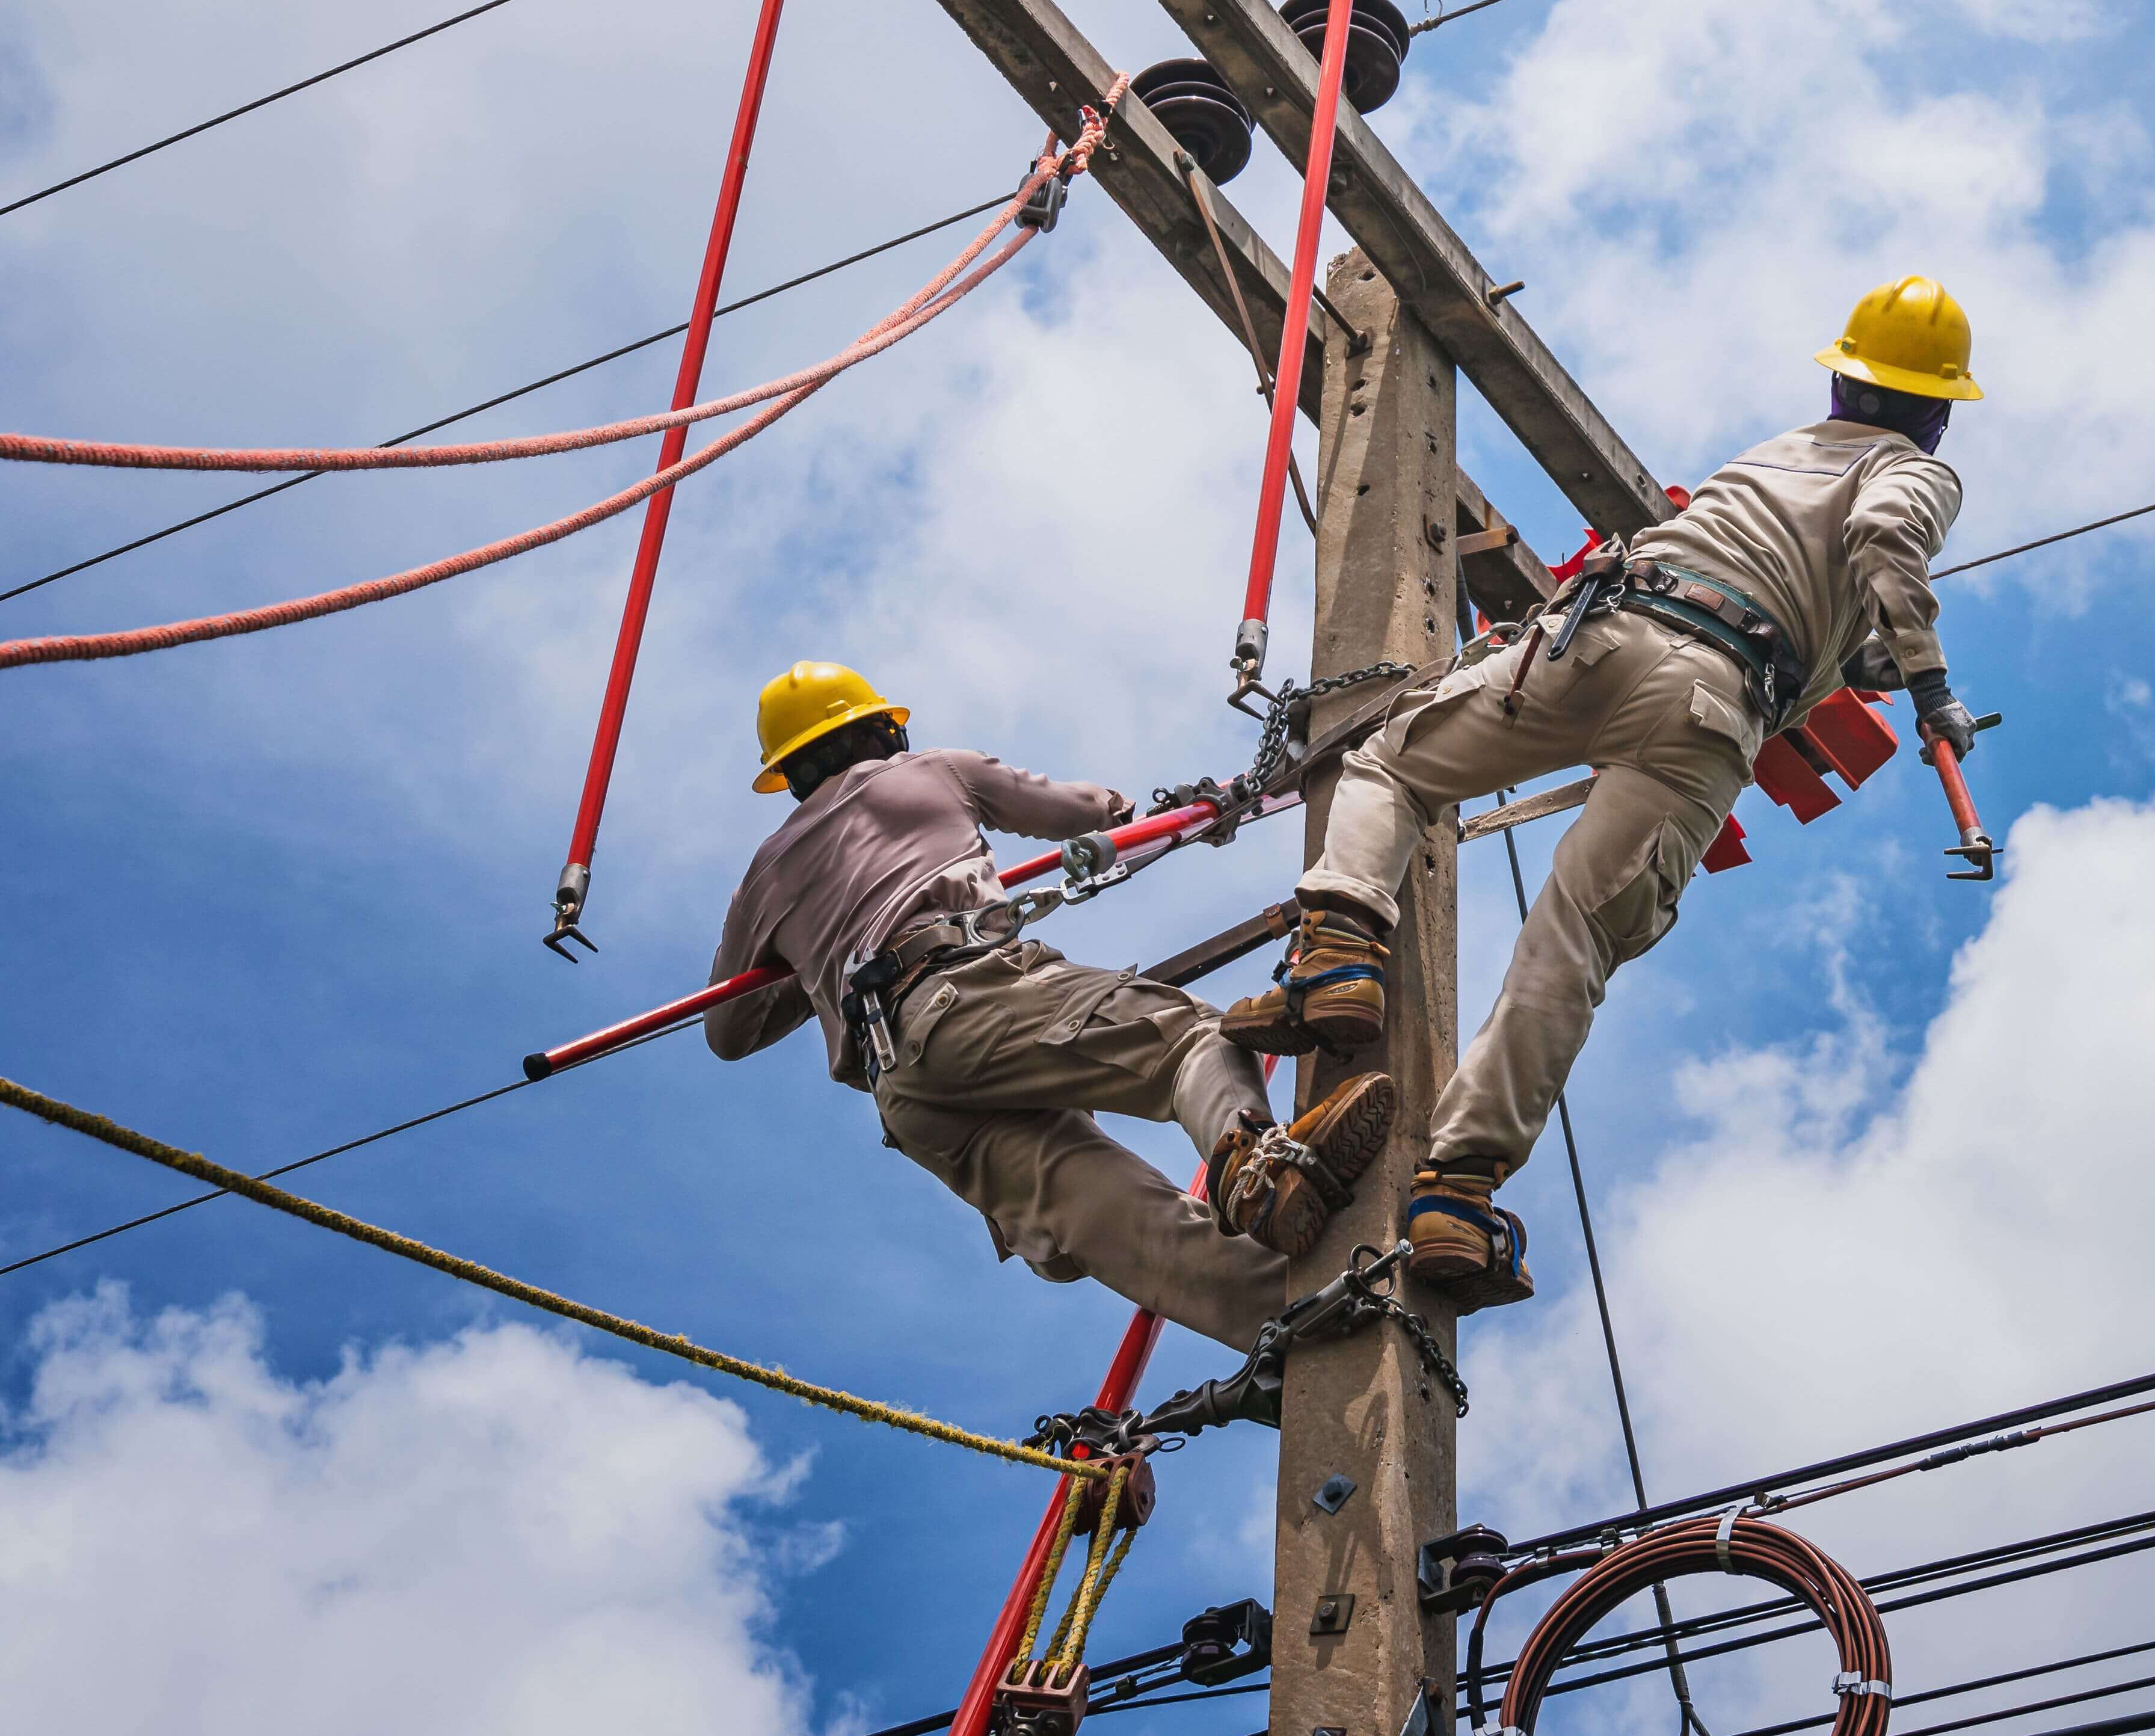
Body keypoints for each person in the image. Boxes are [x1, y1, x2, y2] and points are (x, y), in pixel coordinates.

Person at [1223, 274, 1987, 1311]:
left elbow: (1812, 583)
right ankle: (1456, 1190)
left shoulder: (1774, 458)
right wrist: (1933, 688)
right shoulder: (1914, 473)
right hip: (1715, 710)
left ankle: (1340, 951)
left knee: (1393, 764)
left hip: (1606, 639)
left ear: (1845, 383)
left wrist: (1871, 659)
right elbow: (1887, 543)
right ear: (1939, 412)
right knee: (1573, 943)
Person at [702, 662, 1395, 1361]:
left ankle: (1292, 1323)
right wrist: (1161, 813)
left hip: (907, 1097)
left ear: (789, 775)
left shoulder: (764, 876)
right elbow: (1079, 812)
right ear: (884, 729)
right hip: (959, 996)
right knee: (1188, 1039)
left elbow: (729, 1031)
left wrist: (818, 962)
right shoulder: (930, 772)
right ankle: (1261, 1171)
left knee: (1100, 1211)